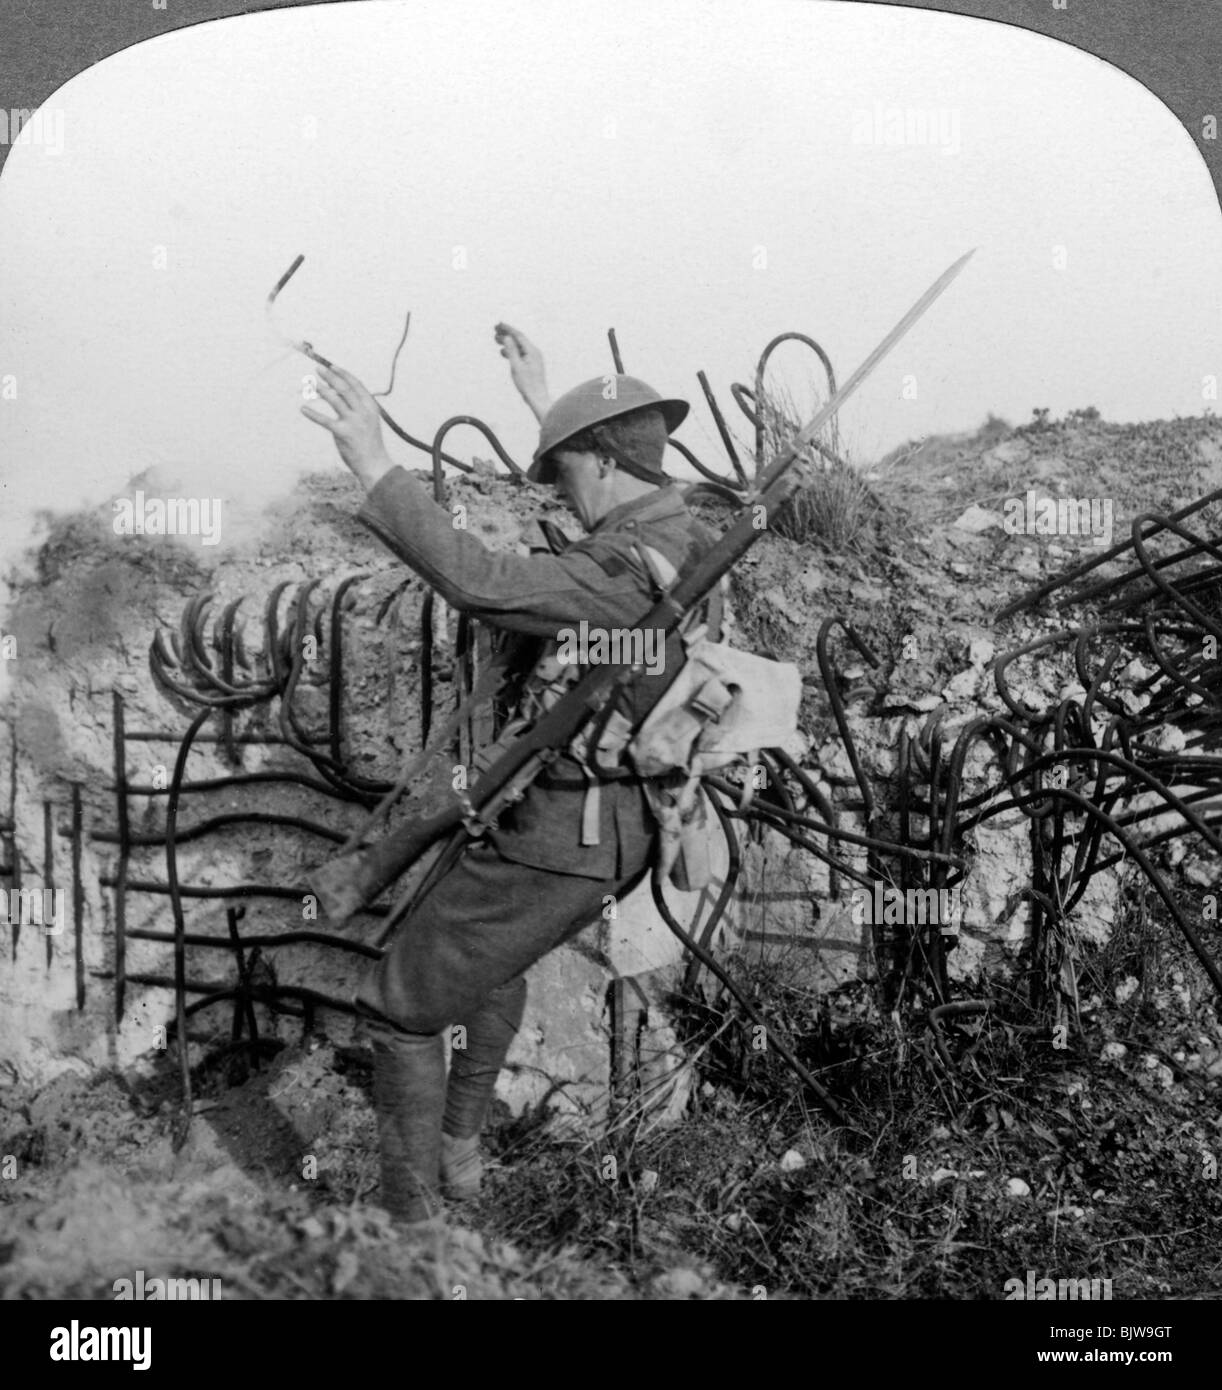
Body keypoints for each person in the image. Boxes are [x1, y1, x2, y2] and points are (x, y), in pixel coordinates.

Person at [300, 328, 718, 1224]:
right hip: (601, 827)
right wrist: (548, 402)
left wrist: (374, 465)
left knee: (399, 1002)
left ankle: (411, 1236)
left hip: (567, 831)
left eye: (562, 472)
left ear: (603, 464)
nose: (557, 492)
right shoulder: (677, 533)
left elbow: (483, 581)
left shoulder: (620, 574)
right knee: (486, 968)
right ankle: (459, 1156)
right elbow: (606, 495)